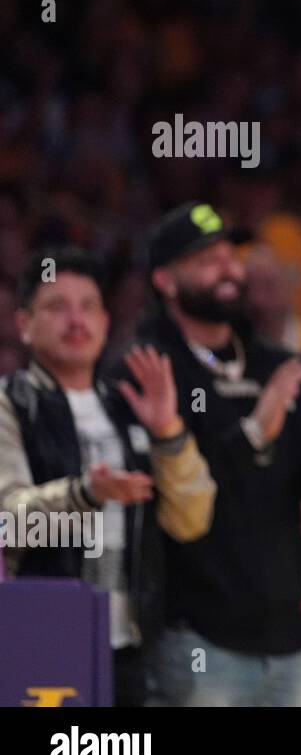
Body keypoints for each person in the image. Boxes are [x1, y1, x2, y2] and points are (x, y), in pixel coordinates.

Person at [131, 201, 301, 706]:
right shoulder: (146, 370)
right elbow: (175, 500)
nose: (230, 268)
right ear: (164, 280)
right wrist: (254, 430)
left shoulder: (278, 365)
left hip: (287, 638)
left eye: (231, 254)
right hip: (198, 639)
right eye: (206, 259)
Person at [0, 246, 215, 706]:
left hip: (132, 643)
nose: (76, 321)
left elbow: (192, 520)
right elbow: (8, 525)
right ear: (23, 324)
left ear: (105, 321)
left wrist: (169, 434)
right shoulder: (10, 402)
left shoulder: (130, 405)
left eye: (89, 307)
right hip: (41, 636)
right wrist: (85, 494)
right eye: (57, 307)